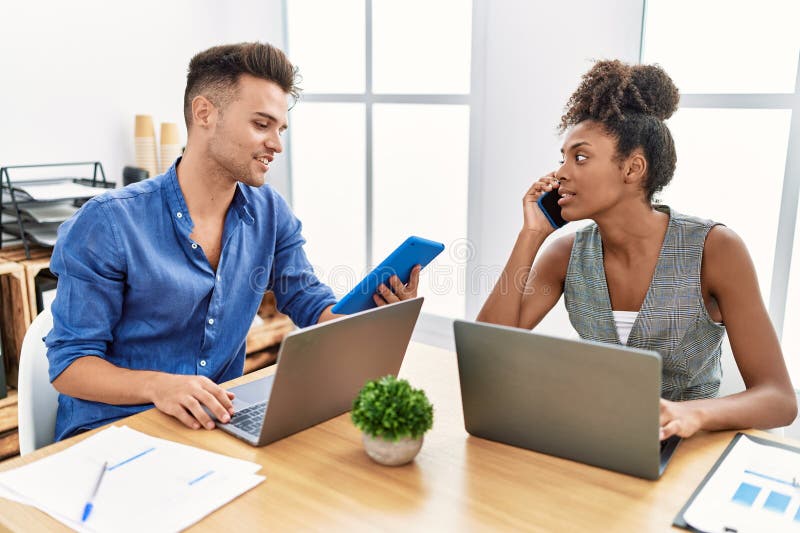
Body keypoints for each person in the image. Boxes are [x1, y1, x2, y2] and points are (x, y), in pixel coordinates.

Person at [45, 42, 420, 441]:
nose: (276, 144)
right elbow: (70, 366)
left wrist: (373, 317)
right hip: (113, 433)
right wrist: (160, 386)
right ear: (204, 113)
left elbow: (309, 301)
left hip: (213, 427)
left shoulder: (269, 212)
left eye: (280, 129)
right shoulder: (109, 223)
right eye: (262, 125)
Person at [477, 60, 796, 440]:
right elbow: (486, 356)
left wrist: (691, 414)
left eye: (579, 157)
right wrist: (531, 235)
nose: (560, 173)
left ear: (632, 169)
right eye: (562, 158)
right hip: (602, 440)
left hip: (689, 449)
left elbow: (779, 399)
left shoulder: (715, 249)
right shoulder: (565, 255)